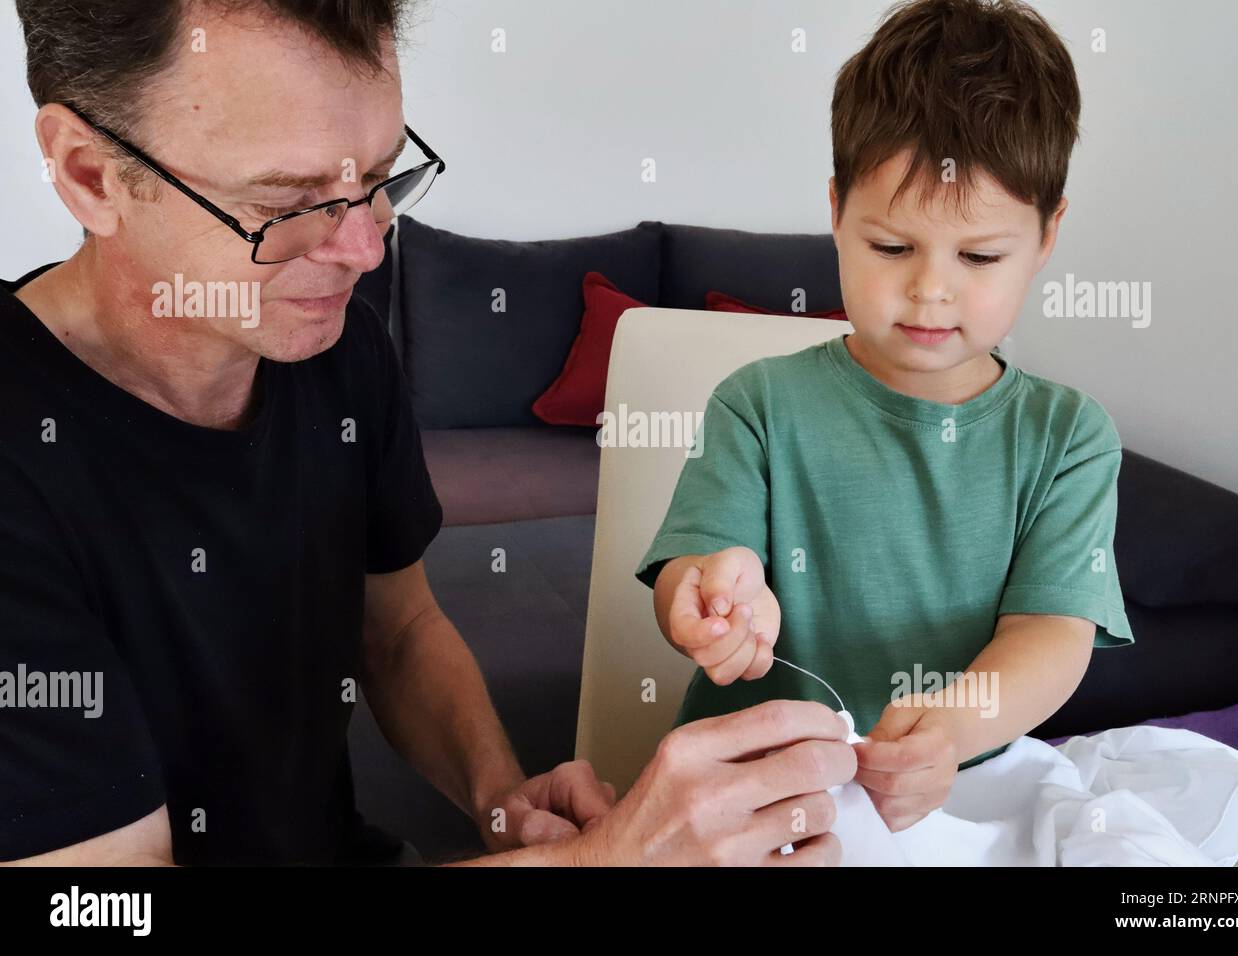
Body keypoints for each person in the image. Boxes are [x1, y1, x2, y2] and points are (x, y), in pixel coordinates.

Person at [0, 0, 854, 867]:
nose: (366, 250)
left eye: (379, 179)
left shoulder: (338, 350)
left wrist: (500, 801)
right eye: (286, 202)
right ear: (90, 176)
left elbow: (399, 628)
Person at [637, 0, 1136, 835]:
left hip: (956, 797)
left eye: (979, 255)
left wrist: (953, 728)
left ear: (1047, 235)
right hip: (761, 801)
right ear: (836, 212)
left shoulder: (1068, 437)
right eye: (892, 248)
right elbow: (694, 562)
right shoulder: (758, 404)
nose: (930, 290)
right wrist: (712, 596)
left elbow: (1053, 630)